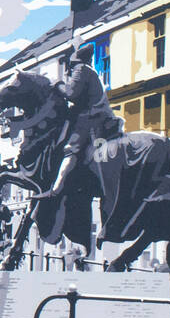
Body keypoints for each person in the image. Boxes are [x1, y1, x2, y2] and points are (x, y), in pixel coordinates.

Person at [34, 42, 122, 200]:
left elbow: (71, 93)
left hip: (91, 118)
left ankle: (56, 189)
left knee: (71, 148)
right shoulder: (90, 71)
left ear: (75, 61)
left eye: (70, 64)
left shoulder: (81, 70)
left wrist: (57, 83)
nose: (69, 68)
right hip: (96, 115)